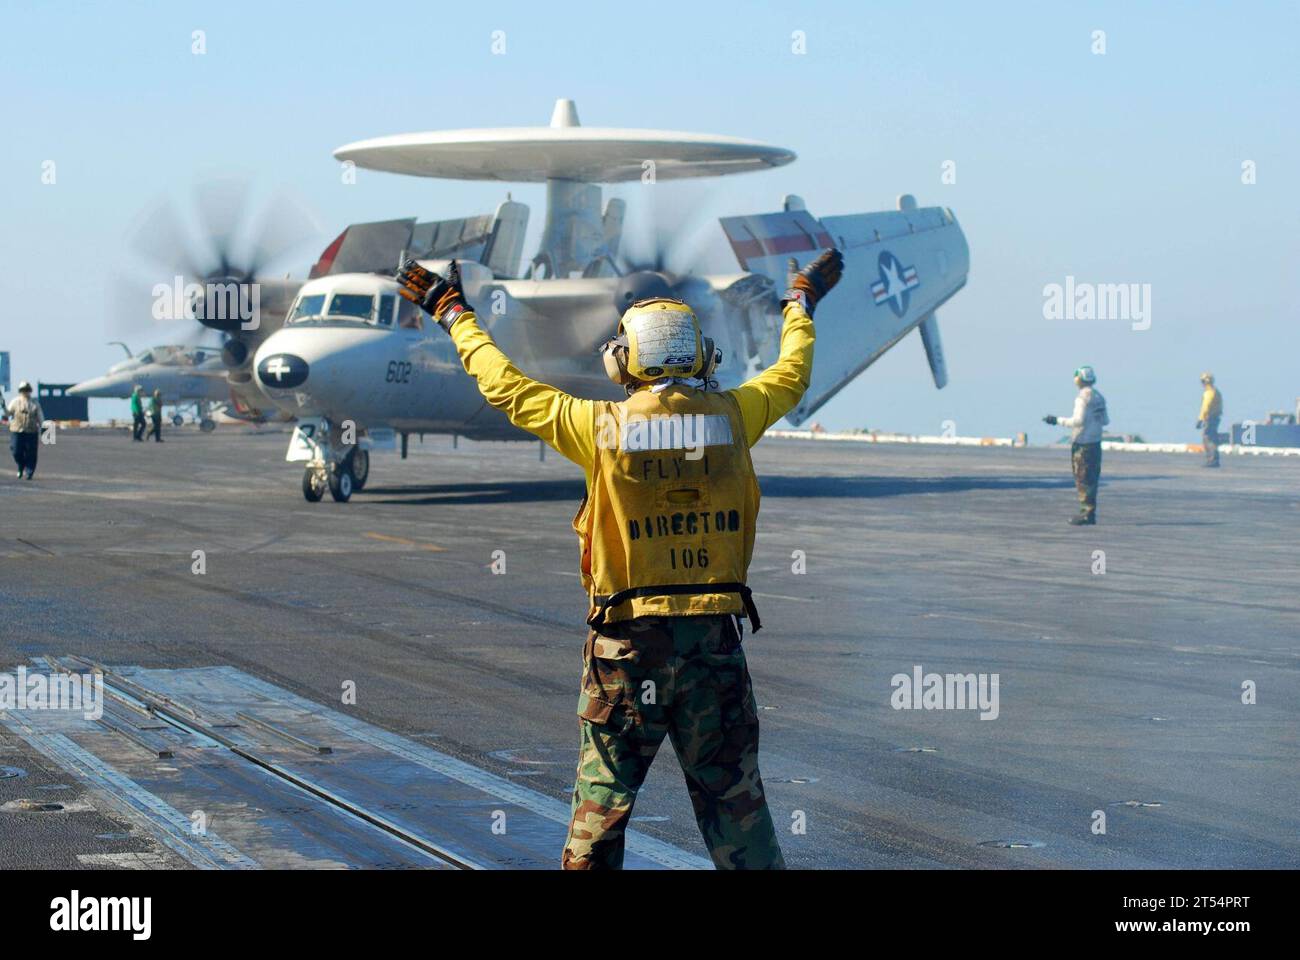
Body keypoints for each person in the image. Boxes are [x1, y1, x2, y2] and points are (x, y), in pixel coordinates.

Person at [396, 249, 844, 870]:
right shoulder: (738, 416)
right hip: (714, 641)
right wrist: (801, 304)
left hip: (626, 647)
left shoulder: (596, 425)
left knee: (600, 811)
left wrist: (453, 313)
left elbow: (505, 384)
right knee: (737, 808)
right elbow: (792, 371)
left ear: (624, 359)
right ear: (703, 357)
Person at [1043, 365, 1109, 525]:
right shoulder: (1099, 397)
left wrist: (1056, 420)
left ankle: (1086, 512)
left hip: (1083, 442)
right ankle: (1090, 512)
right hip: (1095, 442)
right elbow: (1106, 420)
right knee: (1092, 478)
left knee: (1082, 477)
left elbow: (1078, 420)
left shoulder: (1082, 398)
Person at [7, 381, 43, 480]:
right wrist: (3, 408)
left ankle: (29, 472)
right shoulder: (15, 401)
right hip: (17, 430)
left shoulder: (35, 403)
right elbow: (8, 413)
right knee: (16, 451)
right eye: (23, 390)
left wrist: (44, 429)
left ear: (29, 391)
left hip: (31, 431)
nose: (25, 391)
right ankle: (21, 466)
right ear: (20, 391)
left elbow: (40, 417)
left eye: (27, 390)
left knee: (31, 453)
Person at [1196, 372, 1222, 467]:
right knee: (1212, 437)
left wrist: (1200, 419)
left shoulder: (1209, 393)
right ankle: (1214, 459)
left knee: (1208, 438)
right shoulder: (1216, 391)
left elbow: (1205, 407)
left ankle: (1212, 460)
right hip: (1216, 417)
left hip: (1210, 418)